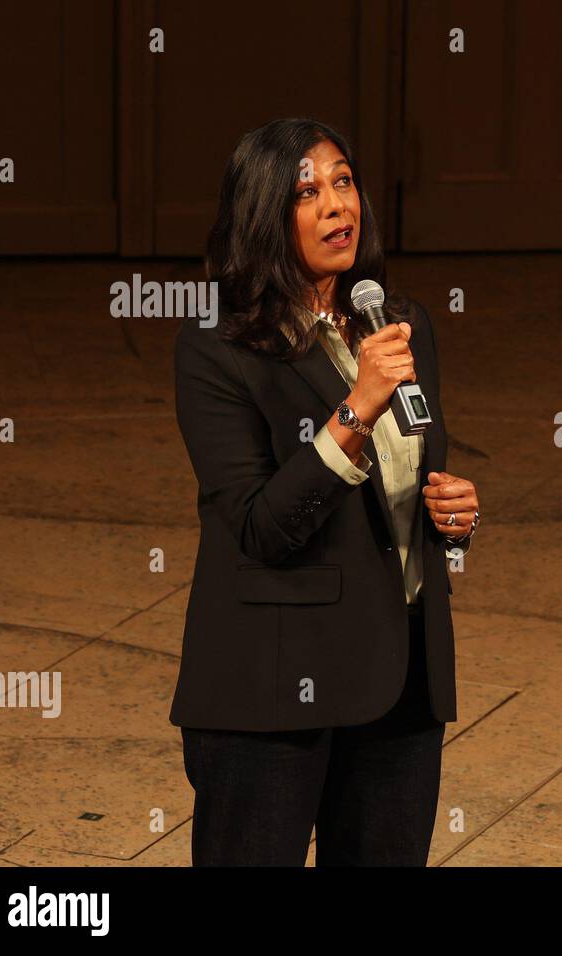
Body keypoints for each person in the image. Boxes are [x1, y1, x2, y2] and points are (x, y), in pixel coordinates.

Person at [170, 118, 482, 865]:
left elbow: (404, 483)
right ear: (262, 216)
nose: (338, 205)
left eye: (344, 182)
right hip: (274, 687)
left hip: (401, 677)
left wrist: (452, 514)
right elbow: (261, 527)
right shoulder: (218, 348)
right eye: (307, 192)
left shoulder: (401, 324)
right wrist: (356, 409)